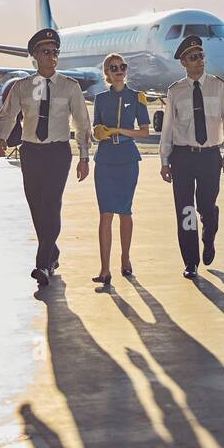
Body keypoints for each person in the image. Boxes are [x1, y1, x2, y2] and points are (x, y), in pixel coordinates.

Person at [0, 28, 91, 288]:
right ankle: (52, 253)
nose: (51, 56)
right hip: (31, 152)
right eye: (46, 52)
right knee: (36, 207)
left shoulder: (70, 87)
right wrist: (1, 137)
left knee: (52, 205)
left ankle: (42, 263)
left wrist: (84, 156)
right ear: (35, 56)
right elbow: (8, 115)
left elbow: (83, 123)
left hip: (58, 153)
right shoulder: (22, 87)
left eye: (55, 52)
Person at [159, 34, 224, 279]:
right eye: (193, 57)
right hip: (182, 156)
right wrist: (164, 160)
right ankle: (190, 261)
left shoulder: (218, 86)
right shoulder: (175, 91)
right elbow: (168, 127)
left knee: (205, 205)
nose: (199, 61)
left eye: (201, 56)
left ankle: (209, 232)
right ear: (183, 62)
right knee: (185, 210)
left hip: (210, 156)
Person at [90, 53, 151, 287]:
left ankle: (125, 257)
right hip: (105, 159)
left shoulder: (137, 97)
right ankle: (104, 269)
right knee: (105, 213)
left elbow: (144, 132)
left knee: (125, 211)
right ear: (107, 73)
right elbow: (96, 127)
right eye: (113, 67)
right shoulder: (100, 98)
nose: (118, 70)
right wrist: (98, 132)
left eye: (122, 67)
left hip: (127, 159)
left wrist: (118, 131)